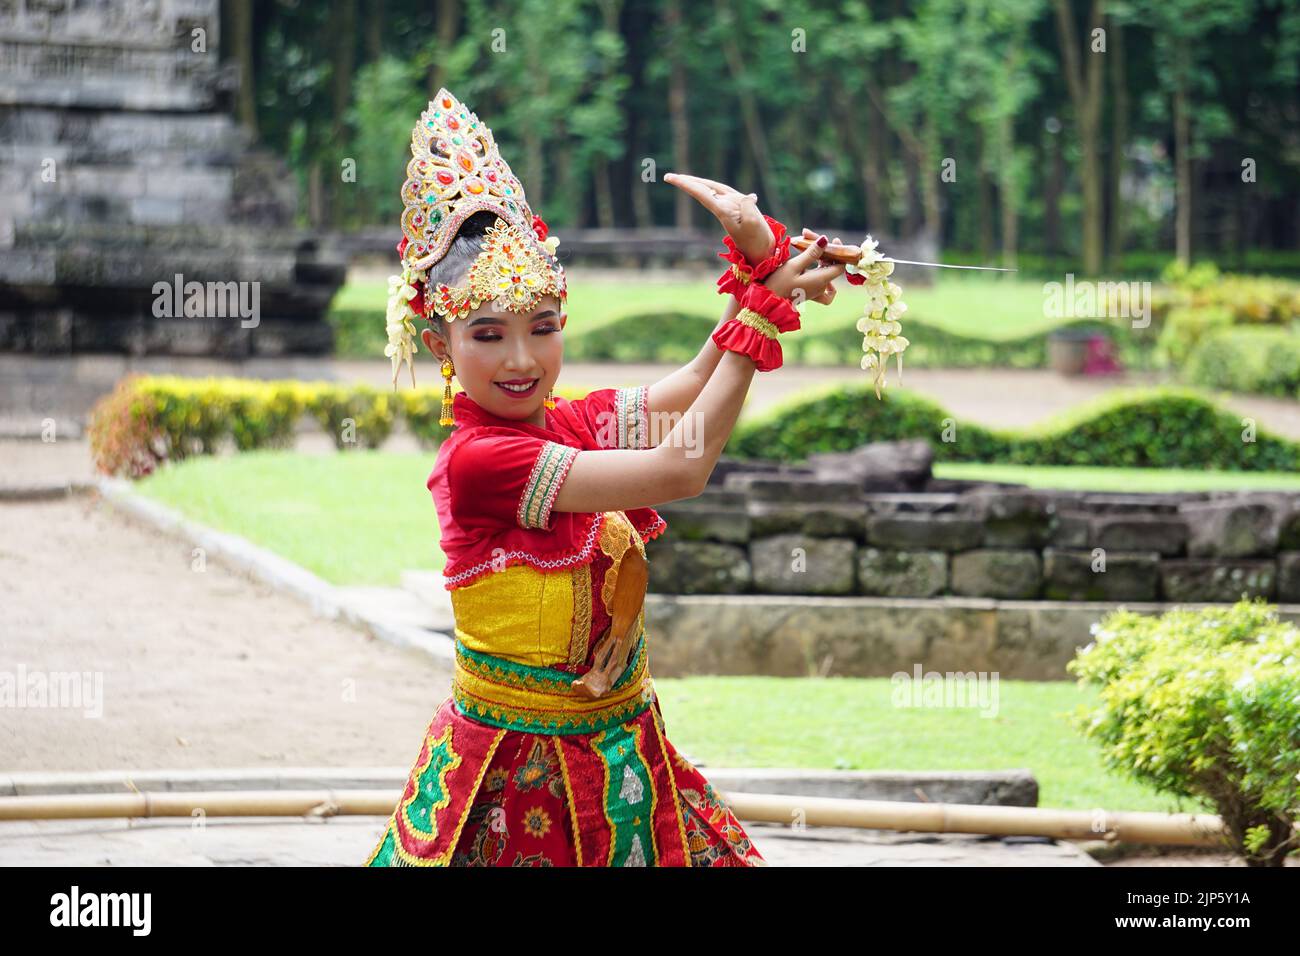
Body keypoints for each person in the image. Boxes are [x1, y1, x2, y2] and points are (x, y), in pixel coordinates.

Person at [363, 89, 844, 867]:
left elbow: (687, 389)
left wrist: (762, 271)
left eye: (543, 329)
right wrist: (761, 317)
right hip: (516, 774)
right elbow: (679, 468)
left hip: (622, 752)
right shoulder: (483, 460)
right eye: (489, 335)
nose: (522, 360)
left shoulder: (560, 420)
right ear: (438, 341)